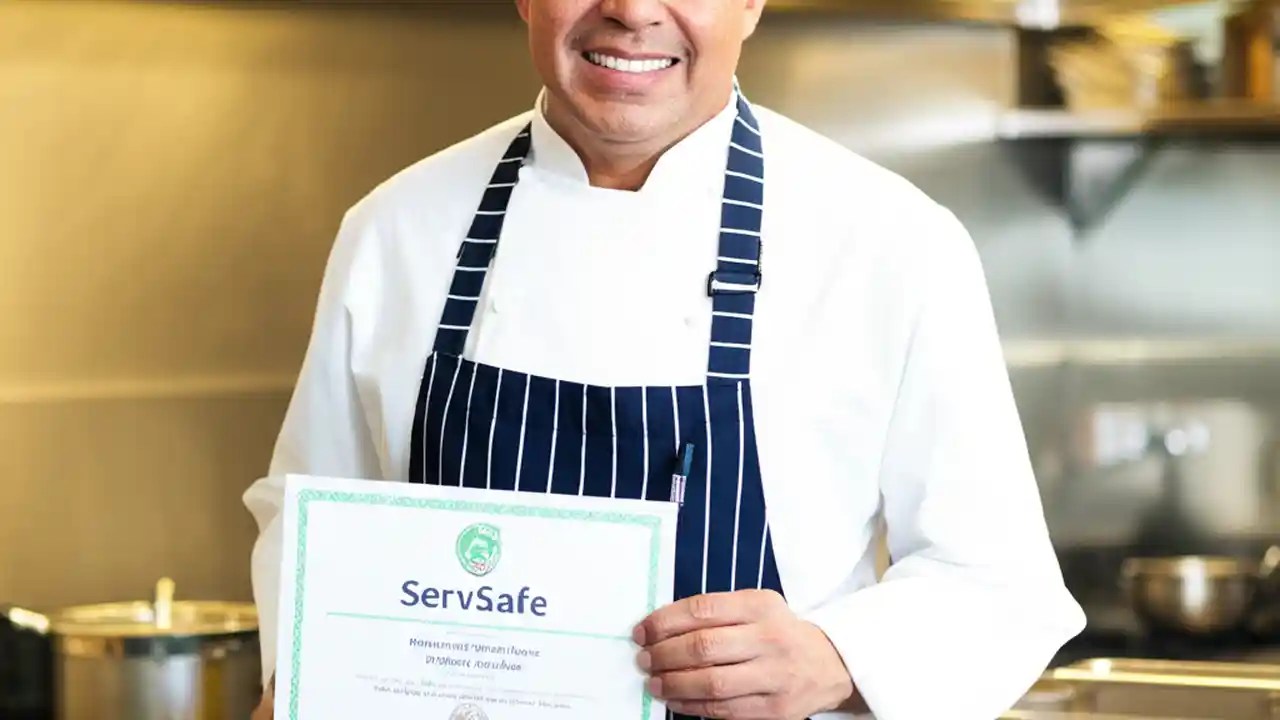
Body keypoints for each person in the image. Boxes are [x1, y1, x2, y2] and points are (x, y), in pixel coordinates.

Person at [243, 0, 1086, 718]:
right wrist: (303, 666)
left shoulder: (890, 241)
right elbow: (311, 514)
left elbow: (998, 583)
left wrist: (832, 656)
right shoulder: (397, 229)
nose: (633, 10)